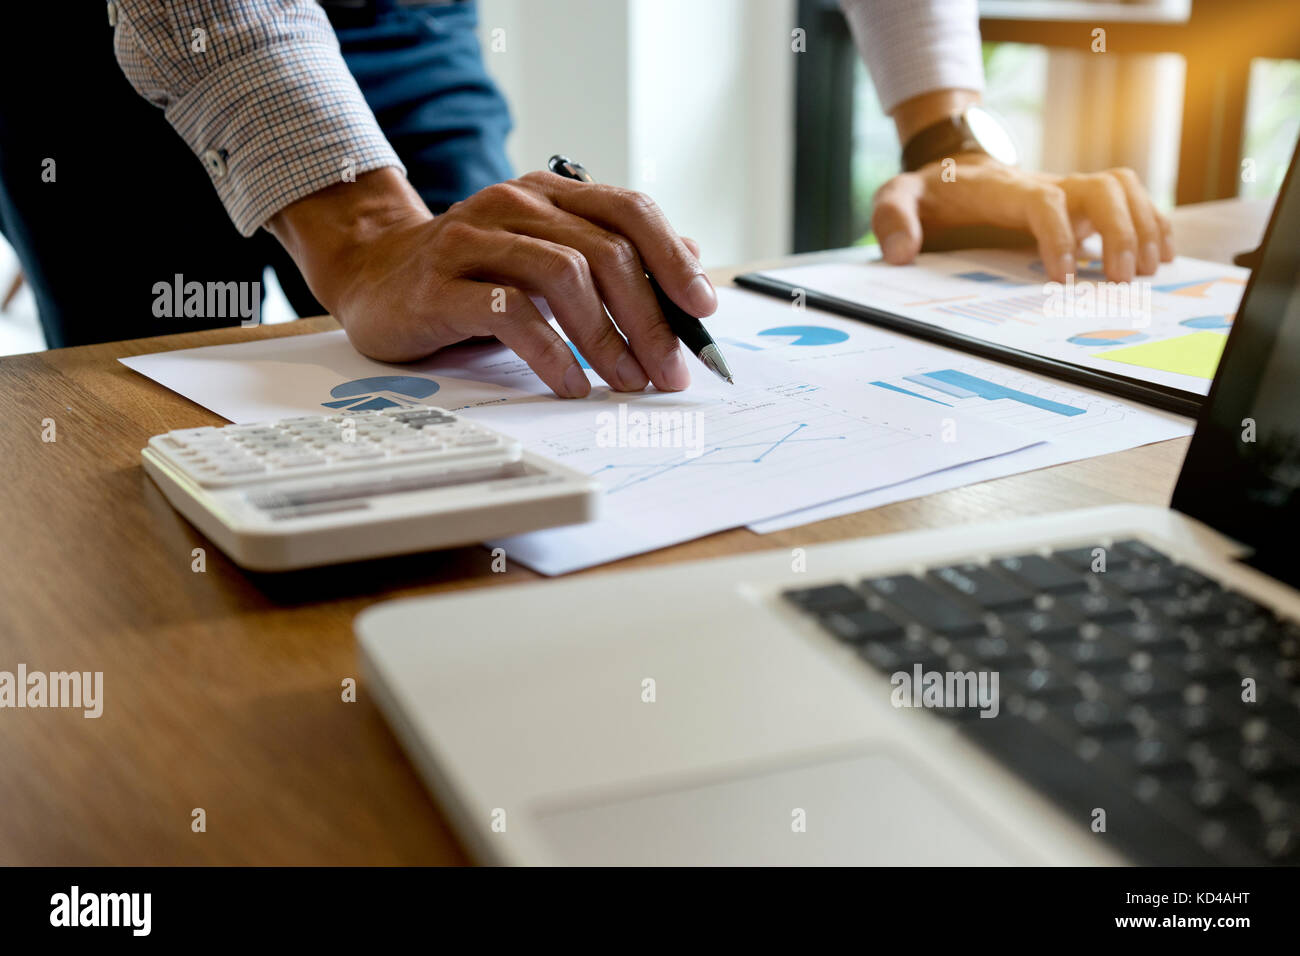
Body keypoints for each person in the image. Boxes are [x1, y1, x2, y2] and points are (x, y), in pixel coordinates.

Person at [0, 0, 1172, 397]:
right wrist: (360, 230)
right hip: (104, 34)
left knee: (495, 328)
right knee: (152, 415)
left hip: (403, 17)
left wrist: (948, 130)